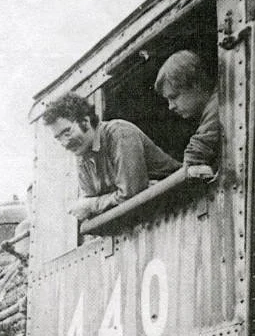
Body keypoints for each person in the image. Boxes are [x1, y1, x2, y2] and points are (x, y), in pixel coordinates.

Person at [42, 92, 180, 221]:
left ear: (85, 121)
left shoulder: (119, 133)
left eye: (67, 132)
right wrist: (95, 204)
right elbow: (87, 212)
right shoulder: (82, 158)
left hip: (177, 207)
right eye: (58, 138)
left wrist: (92, 205)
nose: (65, 143)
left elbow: (130, 196)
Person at [154, 50, 220, 177]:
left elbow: (197, 153)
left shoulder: (219, 104)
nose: (170, 107)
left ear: (195, 85)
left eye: (174, 97)